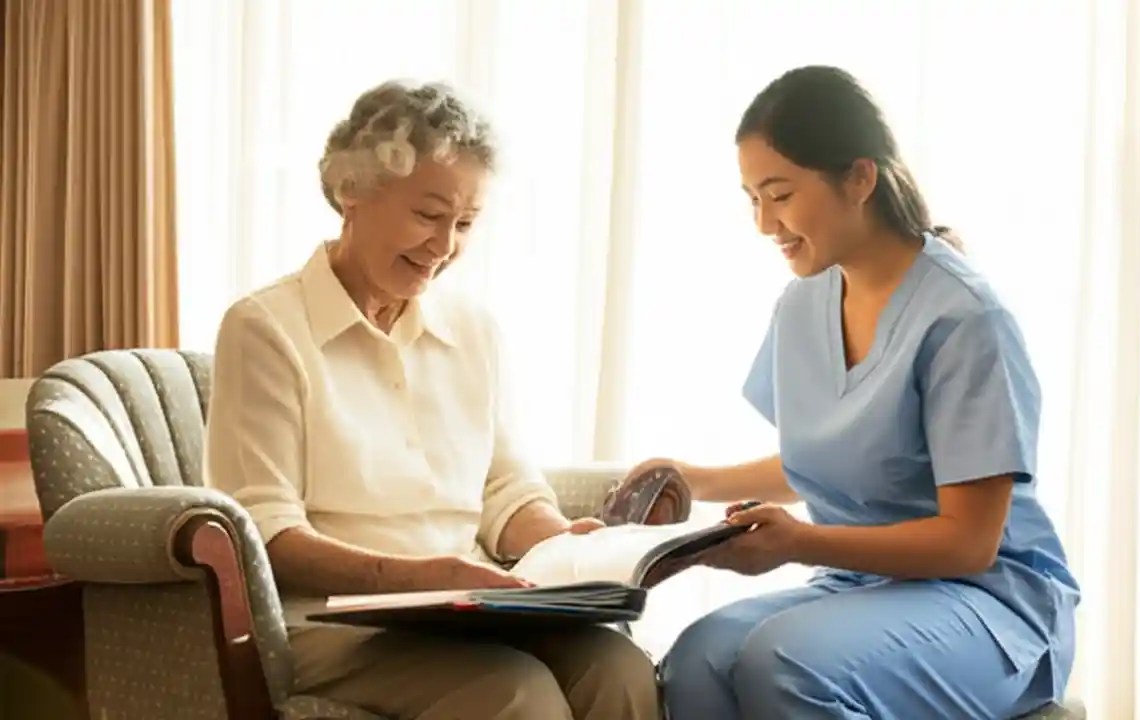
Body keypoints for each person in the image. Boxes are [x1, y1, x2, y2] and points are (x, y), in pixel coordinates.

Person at [204, 79, 659, 720]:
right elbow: (269, 535)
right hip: (332, 625)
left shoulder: (473, 330)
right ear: (350, 192)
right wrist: (418, 577)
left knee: (619, 667)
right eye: (427, 215)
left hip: (466, 612)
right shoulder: (265, 329)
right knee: (515, 694)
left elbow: (506, 492)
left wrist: (563, 545)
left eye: (465, 224)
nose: (443, 248)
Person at [641, 65, 1081, 719]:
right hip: (866, 588)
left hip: (988, 602)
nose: (764, 222)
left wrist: (798, 543)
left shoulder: (964, 320)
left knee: (782, 660)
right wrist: (690, 478)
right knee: (700, 657)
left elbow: (969, 542)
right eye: (751, 198)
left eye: (780, 194)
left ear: (859, 179)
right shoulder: (802, 305)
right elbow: (830, 457)